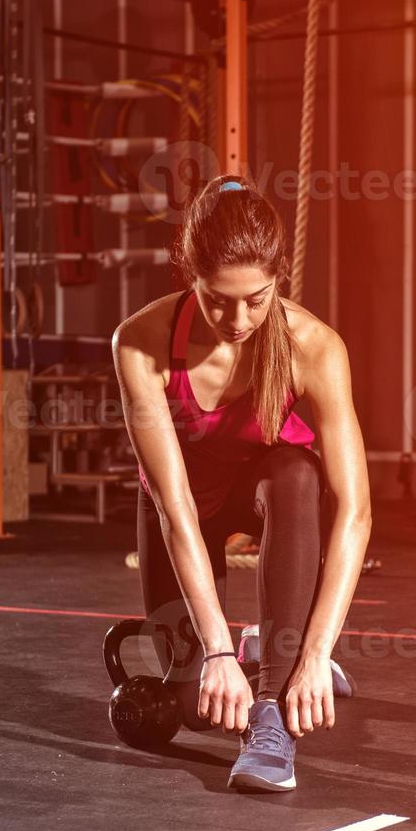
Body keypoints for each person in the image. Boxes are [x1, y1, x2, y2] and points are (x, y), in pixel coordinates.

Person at [112, 174, 372, 792]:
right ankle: (256, 647)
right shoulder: (140, 342)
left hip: (271, 498)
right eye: (217, 300)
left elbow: (355, 512)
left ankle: (274, 710)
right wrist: (217, 651)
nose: (237, 319)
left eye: (256, 300)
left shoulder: (314, 347)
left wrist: (315, 653)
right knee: (198, 705)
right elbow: (174, 510)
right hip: (185, 509)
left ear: (278, 279)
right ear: (191, 276)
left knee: (296, 473)